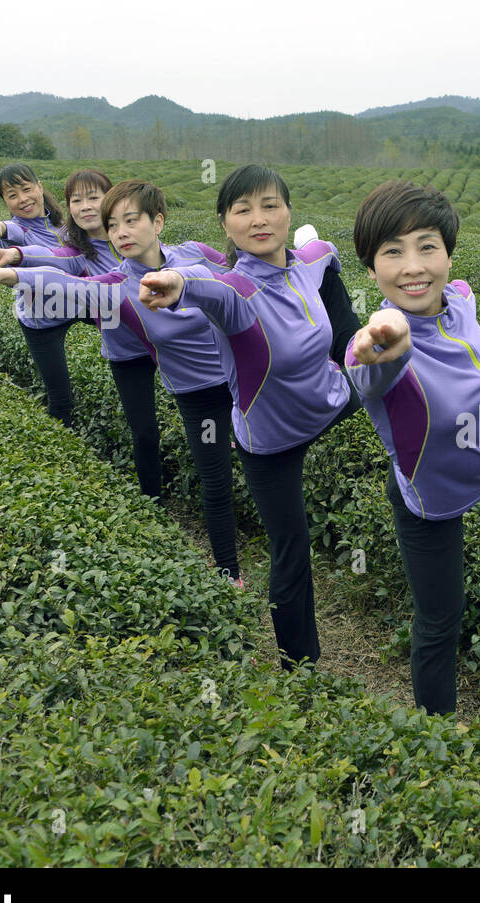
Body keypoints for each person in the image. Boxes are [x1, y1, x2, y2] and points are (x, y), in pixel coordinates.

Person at [0, 180, 244, 584]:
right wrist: (6, 274)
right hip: (199, 396)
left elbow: (244, 276)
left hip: (246, 376)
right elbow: (62, 279)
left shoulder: (193, 254)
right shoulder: (117, 288)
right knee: (216, 479)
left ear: (158, 221)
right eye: (113, 224)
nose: (120, 232)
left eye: (131, 221)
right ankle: (230, 574)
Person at [137, 165, 363, 670]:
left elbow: (323, 252)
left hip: (331, 402)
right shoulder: (234, 289)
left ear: (288, 212)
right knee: (291, 549)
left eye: (270, 206)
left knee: (391, 371)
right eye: (243, 210)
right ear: (225, 223)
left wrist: (331, 263)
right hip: (271, 441)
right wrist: (175, 281)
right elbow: (203, 285)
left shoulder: (310, 260)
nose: (259, 219)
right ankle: (299, 667)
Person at [341, 179, 480, 715]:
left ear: (448, 252)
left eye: (427, 246)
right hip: (431, 497)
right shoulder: (379, 347)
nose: (413, 266)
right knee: (440, 619)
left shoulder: (462, 298)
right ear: (371, 266)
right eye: (392, 252)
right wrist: (381, 344)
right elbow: (369, 367)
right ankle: (436, 736)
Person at [0, 169, 164, 498]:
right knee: (62, 396)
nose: (86, 206)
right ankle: (65, 464)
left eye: (94, 198)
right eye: (77, 200)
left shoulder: (101, 233)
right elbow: (45, 254)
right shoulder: (74, 249)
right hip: (43, 317)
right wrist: (10, 252)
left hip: (85, 306)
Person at [0, 163, 75, 427]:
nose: (22, 199)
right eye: (12, 195)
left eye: (27, 189)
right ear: (5, 201)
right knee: (61, 398)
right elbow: (8, 229)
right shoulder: (15, 232)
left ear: (39, 187)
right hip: (43, 321)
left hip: (77, 303)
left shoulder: (61, 222)